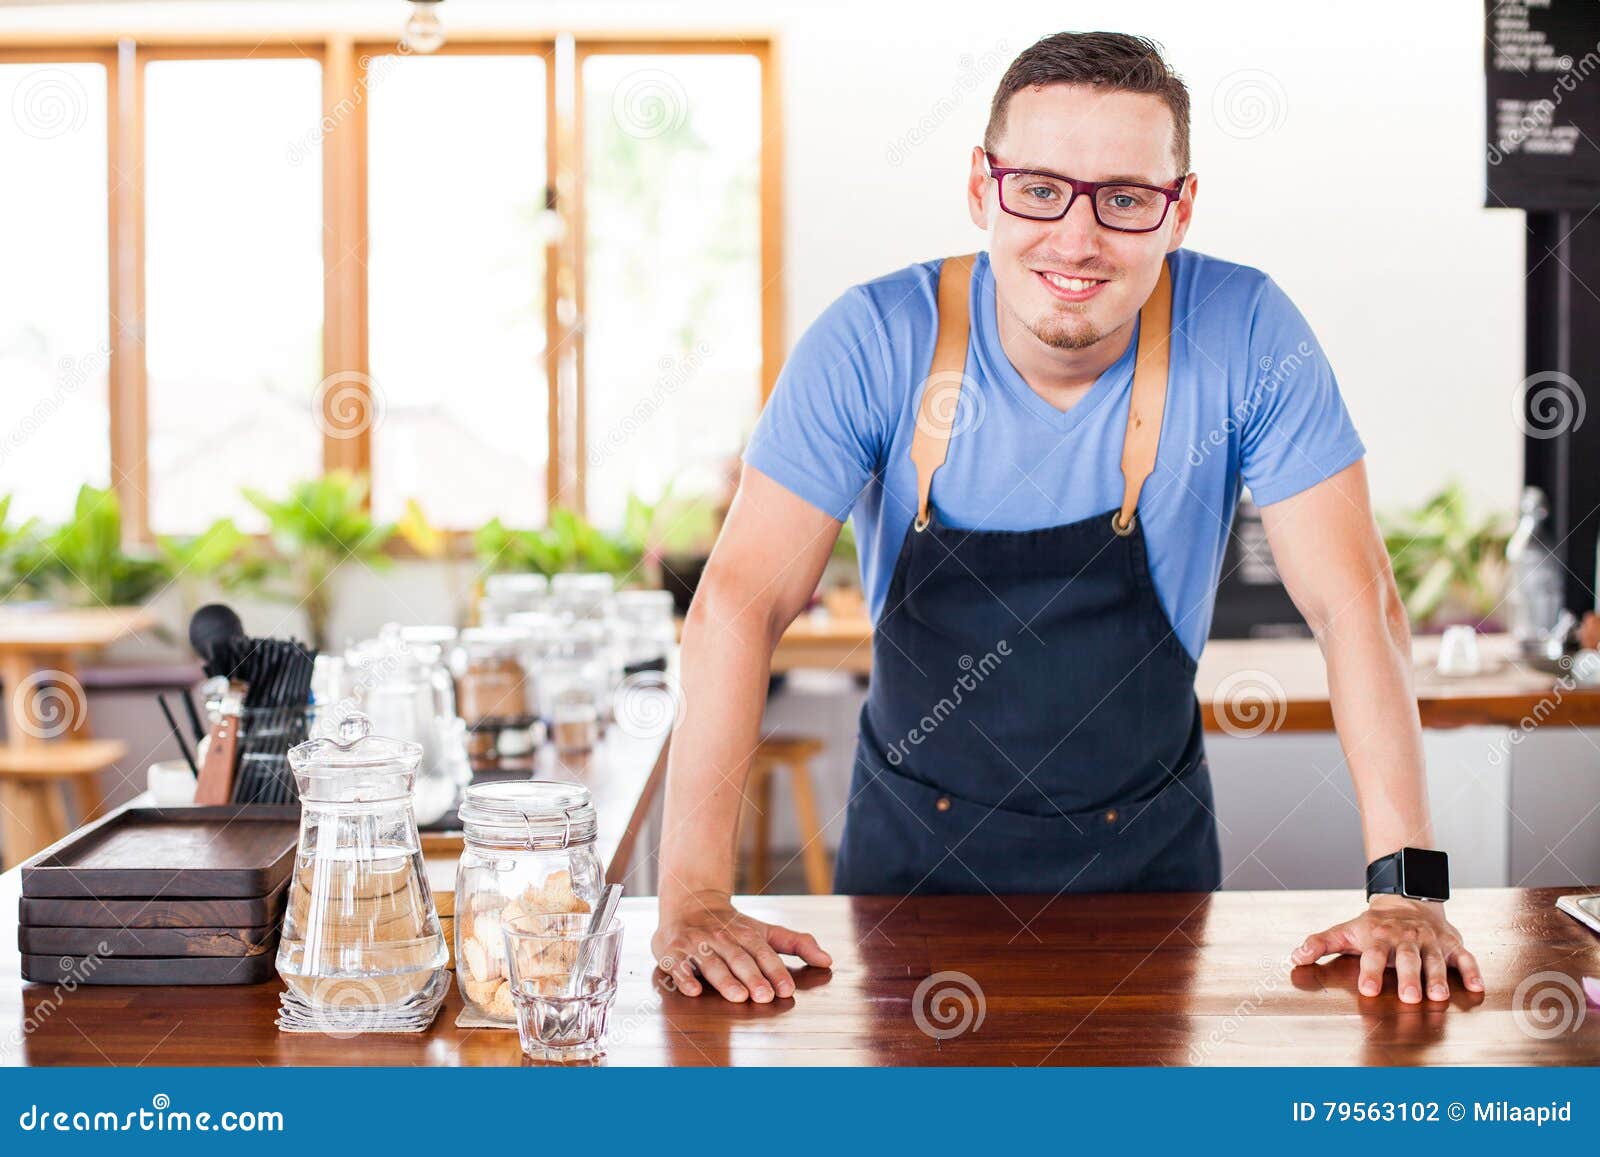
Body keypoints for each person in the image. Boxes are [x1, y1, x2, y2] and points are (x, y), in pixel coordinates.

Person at [651, 31, 1484, 1008]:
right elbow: (738, 603)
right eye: (1039, 188)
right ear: (980, 188)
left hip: (1151, 883)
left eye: (1125, 199)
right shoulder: (870, 341)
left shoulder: (1249, 329)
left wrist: (1406, 890)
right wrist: (695, 892)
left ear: (1179, 212)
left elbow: (1357, 606)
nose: (1077, 239)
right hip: (908, 882)